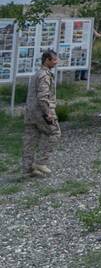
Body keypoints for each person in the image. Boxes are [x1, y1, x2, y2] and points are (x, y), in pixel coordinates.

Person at [22, 49, 60, 178]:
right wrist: (48, 112)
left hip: (30, 112)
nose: (56, 62)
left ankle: (28, 168)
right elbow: (43, 96)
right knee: (54, 132)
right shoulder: (44, 75)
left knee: (31, 139)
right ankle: (41, 162)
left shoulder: (37, 74)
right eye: (54, 59)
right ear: (47, 60)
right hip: (41, 112)